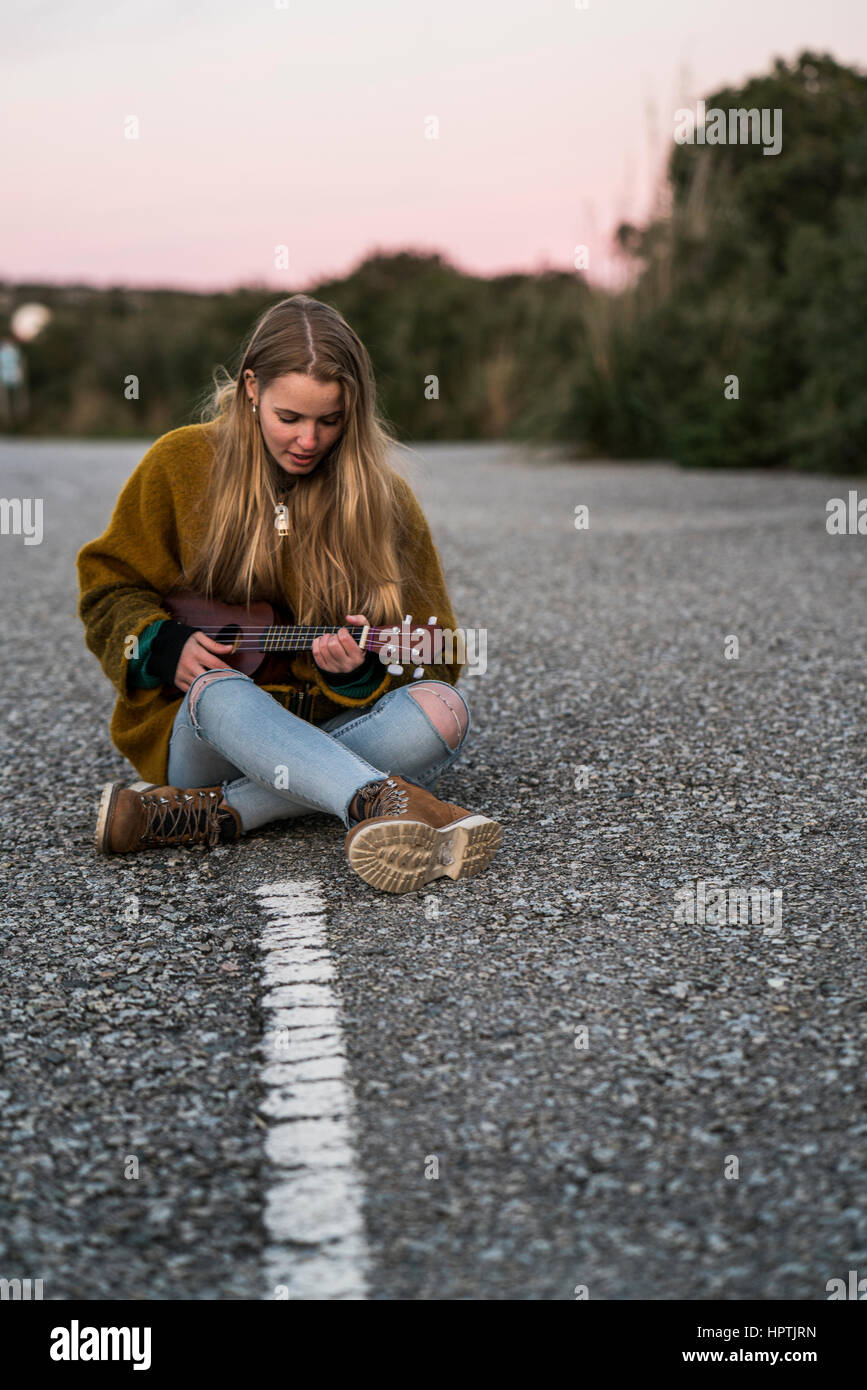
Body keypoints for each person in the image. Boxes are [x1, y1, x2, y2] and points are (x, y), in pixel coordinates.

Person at [76, 294, 502, 893]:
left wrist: (360, 671)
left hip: (331, 721)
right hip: (206, 730)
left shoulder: (384, 500)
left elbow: (441, 650)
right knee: (220, 690)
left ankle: (215, 812)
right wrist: (161, 644)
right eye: (289, 417)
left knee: (443, 710)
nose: (309, 439)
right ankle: (374, 799)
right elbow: (107, 583)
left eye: (330, 421)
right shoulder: (180, 463)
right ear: (252, 387)